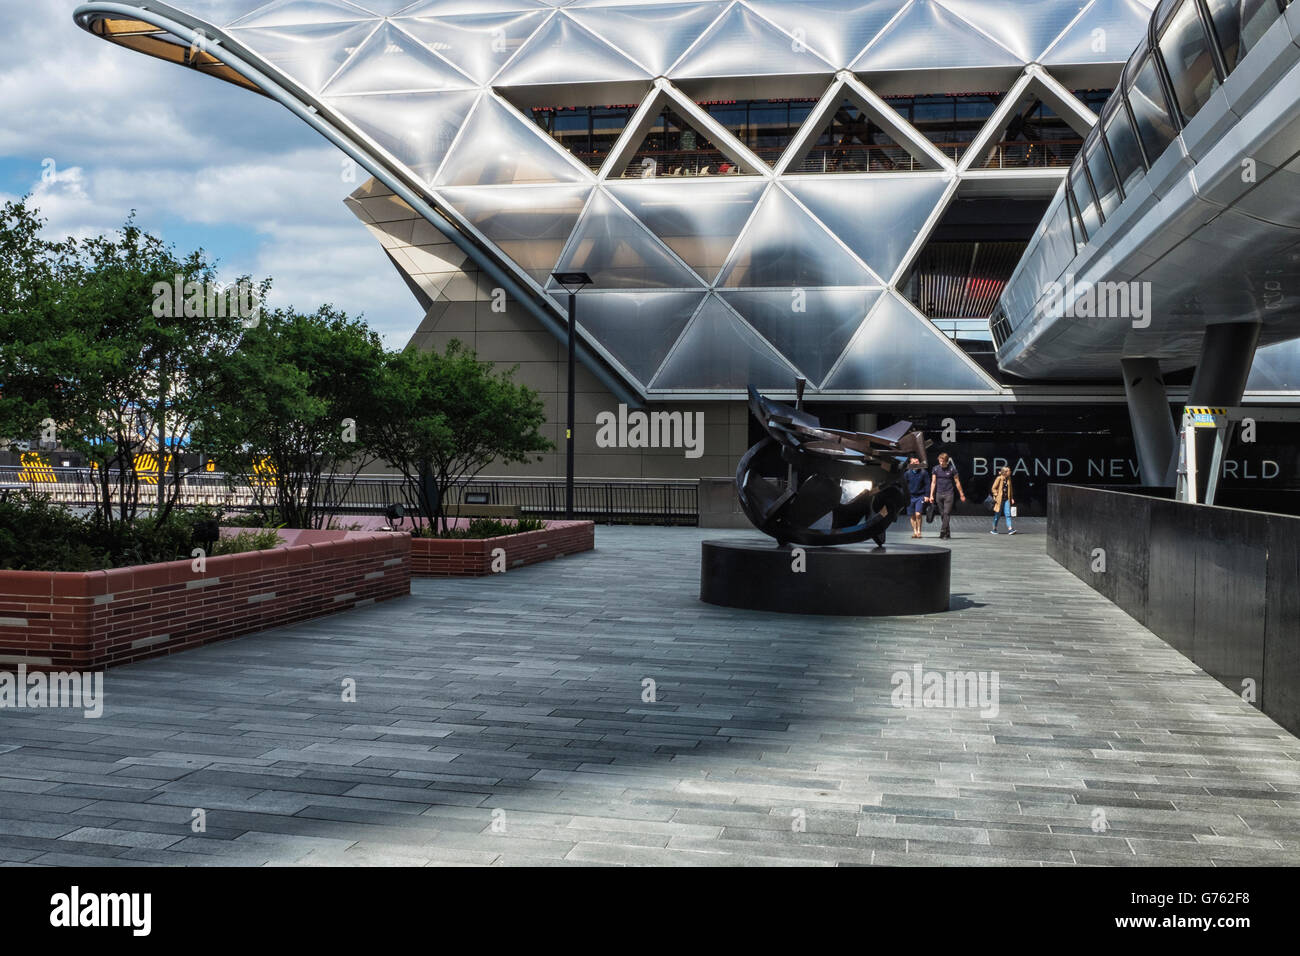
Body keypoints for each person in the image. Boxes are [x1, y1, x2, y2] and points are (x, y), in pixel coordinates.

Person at [929, 452, 966, 540]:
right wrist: (931, 495)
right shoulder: (935, 469)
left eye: (943, 461)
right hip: (938, 494)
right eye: (940, 461)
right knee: (942, 514)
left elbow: (957, 482)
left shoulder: (952, 469)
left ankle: (943, 531)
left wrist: (961, 494)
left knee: (947, 513)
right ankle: (947, 533)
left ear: (946, 461)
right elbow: (933, 483)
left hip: (949, 494)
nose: (941, 463)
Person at [903, 456, 928, 539]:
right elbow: (904, 486)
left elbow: (927, 484)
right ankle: (915, 532)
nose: (916, 464)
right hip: (910, 496)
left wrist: (927, 496)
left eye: (917, 462)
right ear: (910, 464)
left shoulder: (923, 473)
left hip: (920, 496)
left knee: (918, 514)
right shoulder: (907, 474)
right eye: (914, 463)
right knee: (912, 515)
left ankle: (919, 531)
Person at [990, 465, 1017, 535]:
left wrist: (1011, 498)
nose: (1010, 472)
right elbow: (993, 488)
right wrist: (996, 495)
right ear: (1005, 472)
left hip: (1007, 499)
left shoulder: (1009, 479)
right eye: (1009, 471)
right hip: (999, 500)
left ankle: (1010, 529)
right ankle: (994, 529)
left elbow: (1010, 490)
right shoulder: (999, 478)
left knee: (1008, 514)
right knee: (997, 515)